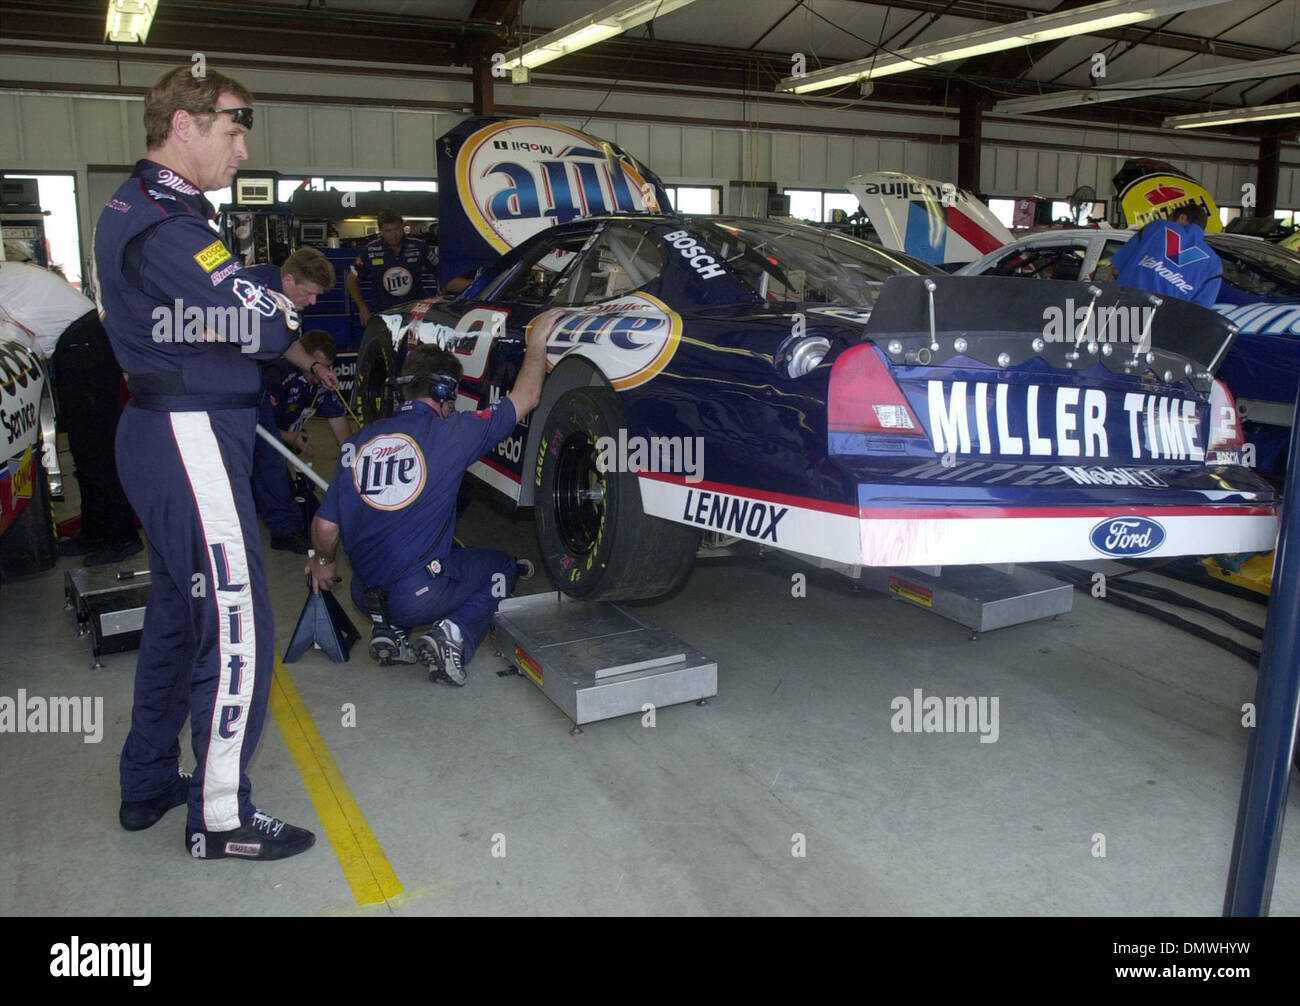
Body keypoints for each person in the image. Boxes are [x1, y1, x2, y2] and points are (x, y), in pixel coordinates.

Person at [95, 65, 341, 861]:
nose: (242, 148)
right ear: (182, 127)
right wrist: (260, 311)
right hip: (187, 436)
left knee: (179, 614)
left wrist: (250, 312)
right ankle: (222, 816)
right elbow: (264, 324)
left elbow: (246, 317)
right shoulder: (167, 225)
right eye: (233, 130)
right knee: (237, 623)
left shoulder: (154, 209)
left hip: (175, 431)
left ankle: (146, 783)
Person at [305, 311, 556, 685]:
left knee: (423, 557)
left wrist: (324, 561)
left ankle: (389, 628)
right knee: (502, 568)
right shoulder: (455, 432)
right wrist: (536, 344)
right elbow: (528, 396)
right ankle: (451, 636)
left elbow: (326, 526)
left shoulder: (358, 441)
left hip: (363, 593)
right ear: (442, 391)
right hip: (418, 595)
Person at [0, 260, 141, 565]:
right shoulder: (9, 275)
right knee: (83, 449)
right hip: (80, 341)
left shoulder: (5, 285)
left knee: (96, 449)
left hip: (82, 345)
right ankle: (94, 531)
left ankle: (122, 537)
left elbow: (10, 343)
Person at [254, 327, 353, 552]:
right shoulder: (276, 375)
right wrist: (291, 437)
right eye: (319, 365)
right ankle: (284, 532)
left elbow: (343, 433)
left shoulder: (322, 383)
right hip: (255, 441)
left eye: (328, 366)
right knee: (272, 470)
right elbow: (255, 427)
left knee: (291, 494)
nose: (322, 372)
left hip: (282, 444)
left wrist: (357, 462)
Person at [1110, 204, 1222, 308]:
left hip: (1124, 308)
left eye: (1170, 219)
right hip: (1163, 322)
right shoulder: (1214, 263)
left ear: (1182, 218)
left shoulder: (1157, 227)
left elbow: (1116, 269)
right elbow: (1201, 308)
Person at [344, 208, 436, 326]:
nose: (394, 235)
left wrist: (440, 297)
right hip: (384, 315)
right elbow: (351, 280)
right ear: (381, 231)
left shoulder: (419, 246)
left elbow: (441, 271)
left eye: (397, 229)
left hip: (415, 315)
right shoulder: (370, 250)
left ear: (403, 227)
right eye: (388, 231)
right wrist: (362, 307)